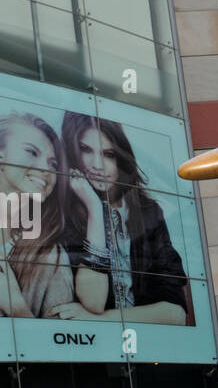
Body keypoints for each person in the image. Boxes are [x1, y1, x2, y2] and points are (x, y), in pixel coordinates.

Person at [52, 114, 189, 325]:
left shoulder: (148, 212)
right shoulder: (62, 213)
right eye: (86, 150)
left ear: (121, 159)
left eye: (108, 154)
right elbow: (94, 302)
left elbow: (176, 313)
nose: (97, 165)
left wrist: (103, 320)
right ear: (72, 153)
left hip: (146, 347)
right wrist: (95, 210)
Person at [0, 112, 74, 318]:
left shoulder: (49, 257)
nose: (46, 170)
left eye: (53, 164)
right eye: (31, 152)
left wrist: (16, 306)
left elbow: (62, 347)